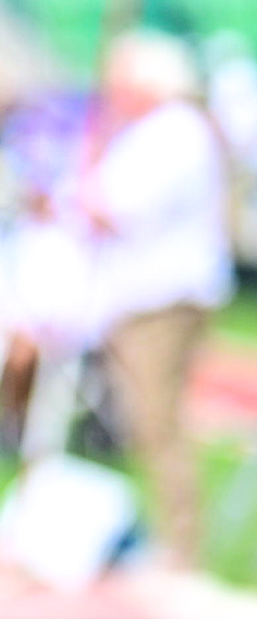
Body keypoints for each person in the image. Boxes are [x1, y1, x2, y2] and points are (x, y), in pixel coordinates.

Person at [80, 30, 233, 568]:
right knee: (146, 422)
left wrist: (89, 189)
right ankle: (168, 536)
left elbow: (115, 208)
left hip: (164, 298)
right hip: (145, 295)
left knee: (159, 420)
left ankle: (181, 544)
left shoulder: (175, 133)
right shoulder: (155, 133)